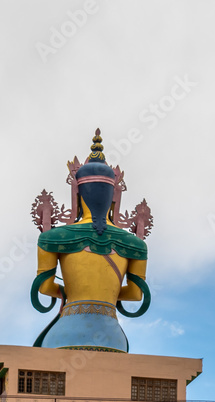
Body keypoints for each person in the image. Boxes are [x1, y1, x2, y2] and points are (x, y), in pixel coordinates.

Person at [31, 130, 151, 353]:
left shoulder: (52, 238)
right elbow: (136, 294)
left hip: (64, 334)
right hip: (112, 337)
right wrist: (108, 294)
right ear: (112, 194)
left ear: (78, 193)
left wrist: (71, 293)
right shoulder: (135, 245)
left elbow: (45, 287)